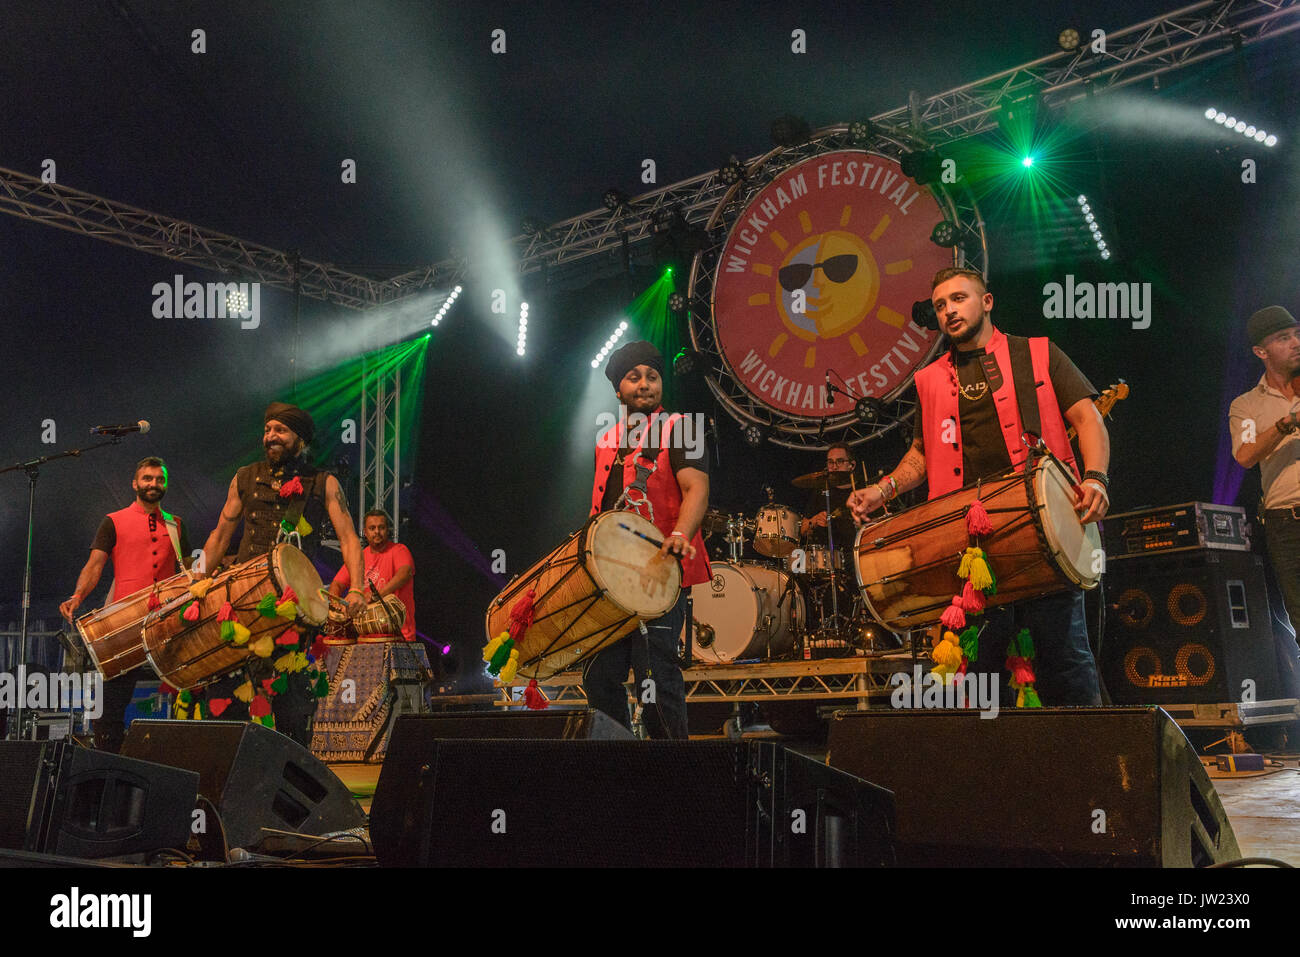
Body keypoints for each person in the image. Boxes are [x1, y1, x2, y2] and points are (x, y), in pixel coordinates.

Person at [848, 267, 1109, 705]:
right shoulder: (928, 380)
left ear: (986, 302)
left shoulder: (1038, 353)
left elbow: (1088, 419)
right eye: (940, 305)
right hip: (967, 544)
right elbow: (922, 455)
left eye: (959, 298)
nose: (949, 310)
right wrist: (884, 488)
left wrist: (1096, 477)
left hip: (1046, 526)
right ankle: (993, 766)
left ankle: (1091, 763)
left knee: (1064, 657)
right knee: (979, 668)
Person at [195, 401, 365, 744]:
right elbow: (221, 533)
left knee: (293, 701)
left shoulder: (323, 482)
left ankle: (292, 773)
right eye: (268, 430)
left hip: (295, 606)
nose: (271, 436)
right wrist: (198, 580)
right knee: (228, 695)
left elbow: (349, 538)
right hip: (241, 601)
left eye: (280, 431)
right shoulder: (245, 476)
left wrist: (358, 589)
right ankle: (229, 770)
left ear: (299, 439)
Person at [584, 340, 710, 738]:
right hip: (612, 578)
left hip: (661, 572)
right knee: (599, 675)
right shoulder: (606, 441)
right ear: (617, 389)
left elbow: (697, 489)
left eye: (653, 377)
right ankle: (619, 766)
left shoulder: (682, 428)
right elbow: (601, 507)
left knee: (654, 678)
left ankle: (671, 775)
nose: (645, 384)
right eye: (633, 377)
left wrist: (679, 534)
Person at [60, 457, 191, 752]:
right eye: (147, 478)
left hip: (168, 620)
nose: (153, 484)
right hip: (125, 623)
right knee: (113, 702)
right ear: (135, 483)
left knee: (190, 685)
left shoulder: (176, 524)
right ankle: (108, 760)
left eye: (159, 479)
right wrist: (77, 596)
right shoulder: (113, 520)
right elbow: (94, 566)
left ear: (166, 484)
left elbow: (190, 569)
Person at [1229, 306, 1300, 637]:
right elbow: (1244, 454)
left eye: (1297, 334)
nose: (1296, 342)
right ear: (1261, 351)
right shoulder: (1246, 405)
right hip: (1286, 522)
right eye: (1284, 338)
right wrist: (1287, 423)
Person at [328, 508, 416, 642]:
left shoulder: (399, 550)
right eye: (372, 528)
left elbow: (405, 573)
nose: (377, 532)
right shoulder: (359, 558)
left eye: (381, 527)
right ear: (365, 532)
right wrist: (336, 602)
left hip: (400, 636)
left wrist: (377, 595)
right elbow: (337, 584)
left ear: (387, 530)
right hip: (366, 637)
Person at [799, 441, 858, 554]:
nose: (834, 466)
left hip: (858, 553)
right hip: (826, 559)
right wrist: (815, 520)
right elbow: (803, 529)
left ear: (852, 465)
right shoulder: (821, 490)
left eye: (840, 461)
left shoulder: (861, 490)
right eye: (830, 462)